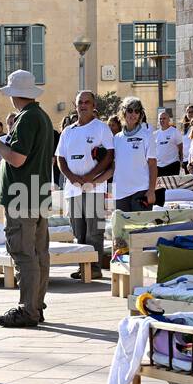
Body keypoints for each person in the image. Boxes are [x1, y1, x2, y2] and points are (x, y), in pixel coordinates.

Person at [0, 70, 54, 328]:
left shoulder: (26, 119)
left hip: (22, 196)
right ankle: (36, 305)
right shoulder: (41, 116)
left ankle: (28, 309)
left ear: (14, 95)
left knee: (23, 254)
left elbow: (18, 158)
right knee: (39, 253)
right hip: (38, 192)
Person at [55, 89, 113, 277]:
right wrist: (71, 177)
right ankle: (83, 268)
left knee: (94, 231)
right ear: (76, 105)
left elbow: (109, 156)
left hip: (94, 187)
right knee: (78, 231)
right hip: (73, 188)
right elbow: (60, 158)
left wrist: (90, 176)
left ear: (94, 105)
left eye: (87, 102)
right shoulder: (67, 131)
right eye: (80, 102)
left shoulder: (101, 128)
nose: (83, 105)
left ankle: (94, 269)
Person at [110, 97, 157, 214]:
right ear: (123, 112)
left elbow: (152, 165)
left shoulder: (147, 135)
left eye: (137, 111)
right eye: (130, 110)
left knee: (141, 229)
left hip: (141, 190)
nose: (133, 114)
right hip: (120, 192)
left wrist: (151, 190)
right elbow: (113, 167)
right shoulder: (116, 138)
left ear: (140, 114)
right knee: (123, 230)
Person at [149, 108, 184, 180]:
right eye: (160, 119)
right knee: (161, 189)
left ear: (169, 120)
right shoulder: (155, 134)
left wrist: (181, 161)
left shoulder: (175, 131)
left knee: (172, 189)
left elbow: (180, 148)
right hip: (159, 166)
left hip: (172, 165)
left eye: (164, 118)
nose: (162, 120)